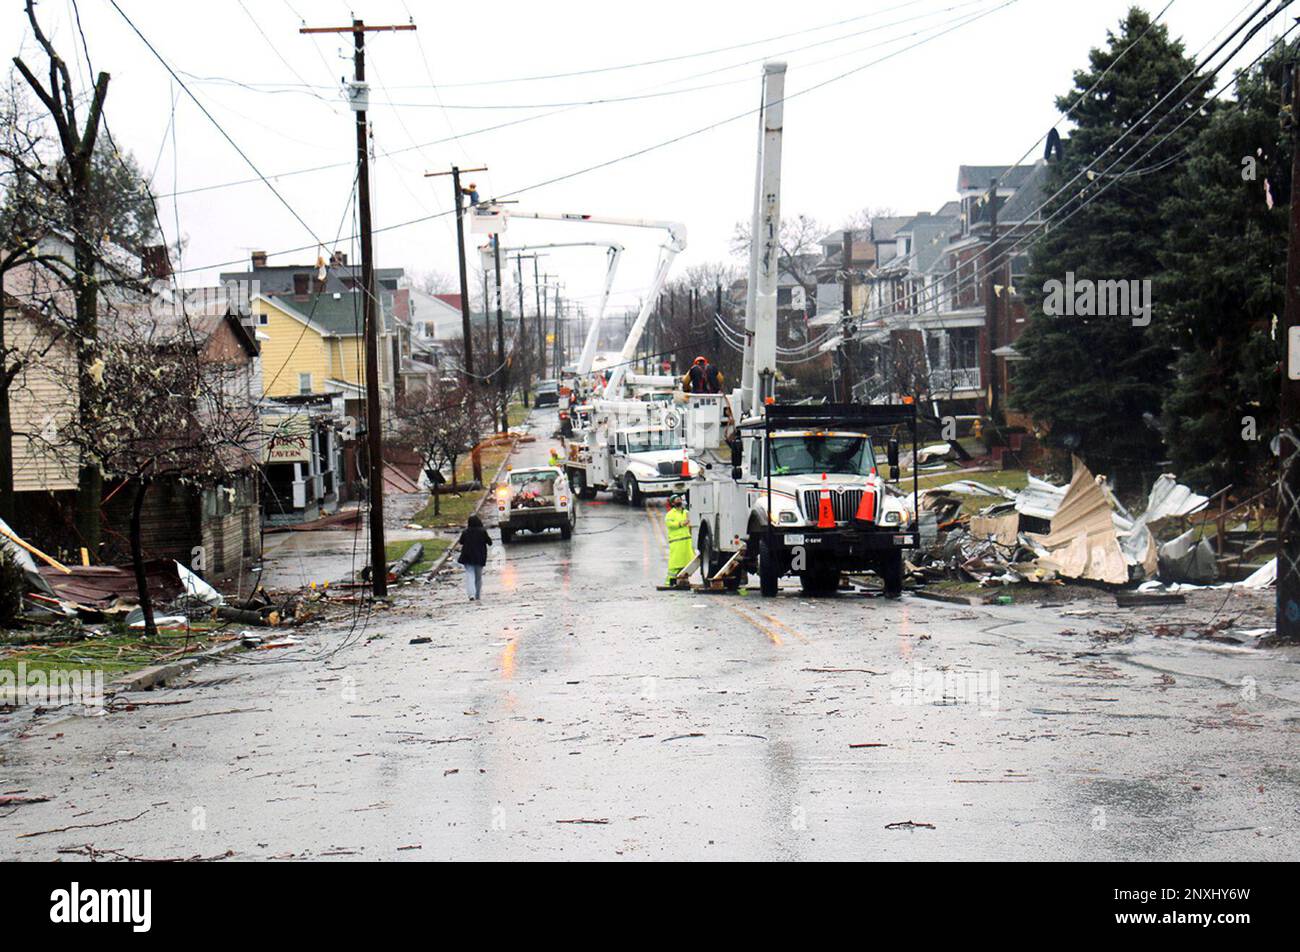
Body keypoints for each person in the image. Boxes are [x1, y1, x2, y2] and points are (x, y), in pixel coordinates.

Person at [457, 514, 492, 601]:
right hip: (479, 557)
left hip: (467, 556)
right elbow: (489, 542)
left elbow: (461, 542)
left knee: (470, 575)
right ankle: (477, 595)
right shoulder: (482, 531)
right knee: (478, 578)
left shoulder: (465, 532)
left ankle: (471, 594)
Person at [664, 495, 695, 586]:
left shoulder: (686, 512)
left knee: (686, 562)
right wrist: (681, 523)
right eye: (677, 500)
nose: (679, 501)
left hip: (687, 541)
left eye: (679, 499)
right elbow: (670, 524)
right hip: (676, 541)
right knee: (675, 562)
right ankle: (669, 581)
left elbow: (691, 523)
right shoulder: (670, 514)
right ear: (673, 503)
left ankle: (683, 580)